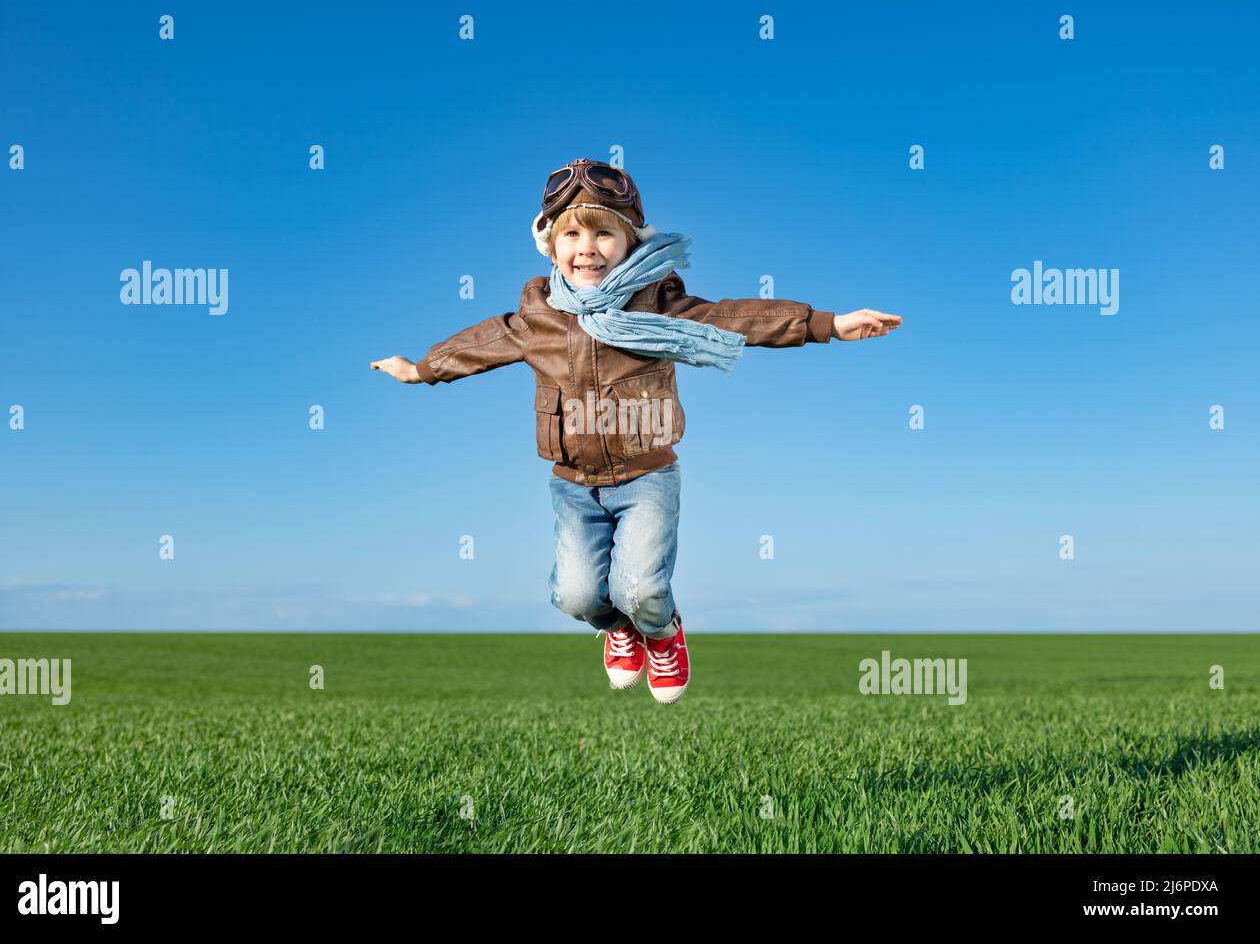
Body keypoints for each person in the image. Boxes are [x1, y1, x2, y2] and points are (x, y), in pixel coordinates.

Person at [372, 158, 901, 704]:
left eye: (604, 232)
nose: (587, 247)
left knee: (641, 588)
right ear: (550, 247)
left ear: (630, 243)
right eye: (572, 234)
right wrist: (422, 369)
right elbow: (480, 344)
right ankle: (619, 631)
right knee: (576, 596)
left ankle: (664, 633)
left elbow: (735, 317)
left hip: (647, 477)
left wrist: (825, 324)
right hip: (573, 484)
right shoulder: (539, 319)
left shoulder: (659, 307)